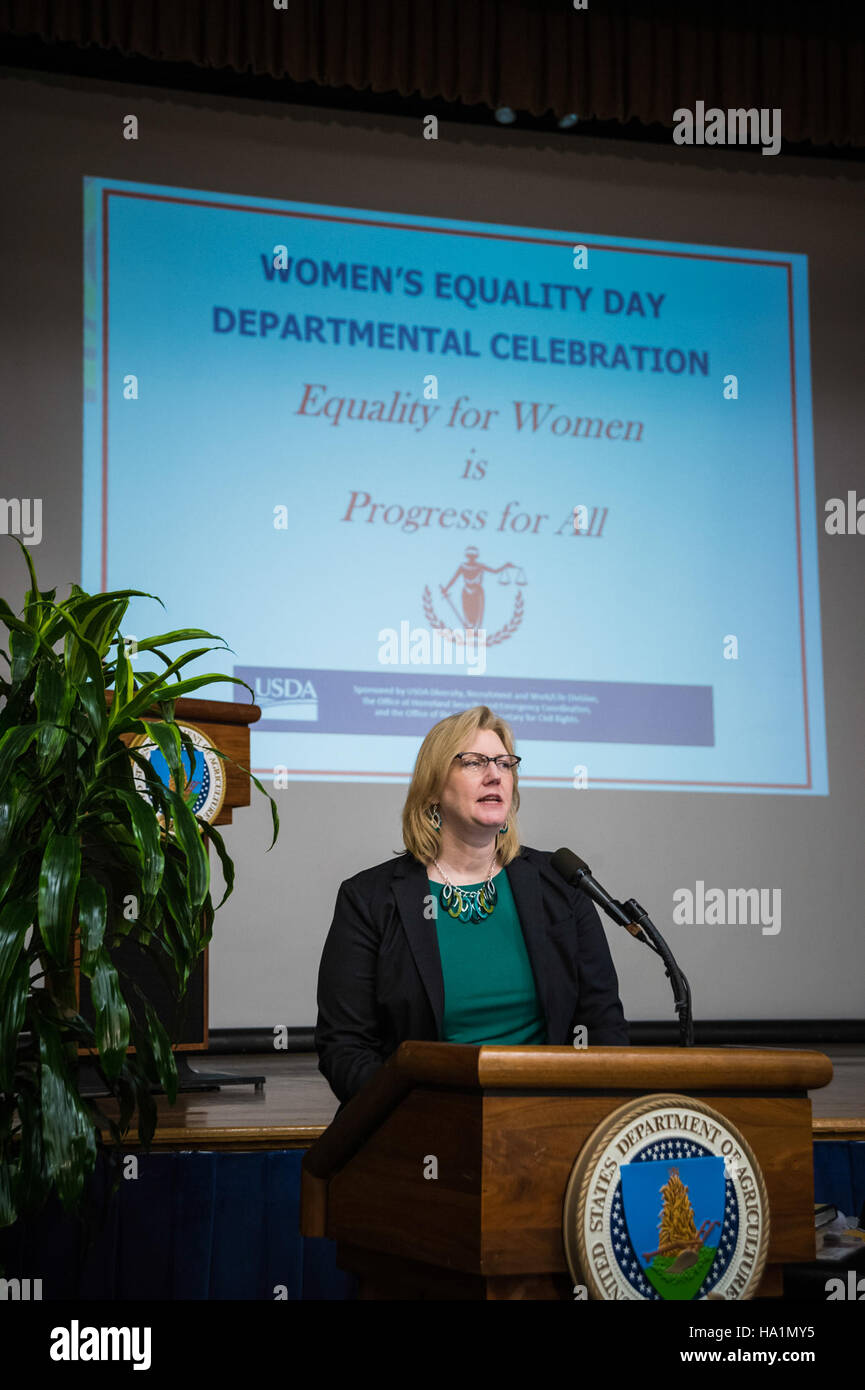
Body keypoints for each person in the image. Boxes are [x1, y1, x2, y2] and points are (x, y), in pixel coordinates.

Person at [314, 705, 629, 1110]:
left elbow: (604, 1026)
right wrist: (423, 1117)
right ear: (432, 789)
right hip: (422, 1130)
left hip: (549, 1123)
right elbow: (345, 1048)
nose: (495, 774)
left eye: (504, 763)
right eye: (473, 762)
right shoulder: (369, 899)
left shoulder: (561, 886)